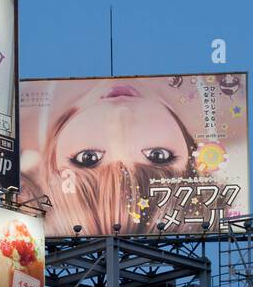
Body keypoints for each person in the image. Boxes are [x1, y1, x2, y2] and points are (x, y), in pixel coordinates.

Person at [23, 80, 200, 235]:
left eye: (88, 157)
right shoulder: (214, 91)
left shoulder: (19, 95)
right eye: (157, 155)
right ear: (192, 157)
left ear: (50, 164)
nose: (120, 116)